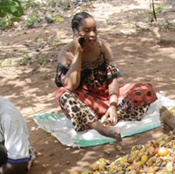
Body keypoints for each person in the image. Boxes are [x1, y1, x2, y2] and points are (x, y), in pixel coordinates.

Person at [55, 12, 157, 140]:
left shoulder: (102, 46)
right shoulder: (66, 53)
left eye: (94, 30)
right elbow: (71, 85)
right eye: (87, 31)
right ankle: (100, 127)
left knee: (146, 89)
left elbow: (112, 78)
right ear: (76, 32)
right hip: (87, 101)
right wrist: (78, 53)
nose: (92, 35)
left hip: (107, 97)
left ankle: (111, 116)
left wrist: (113, 106)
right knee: (63, 95)